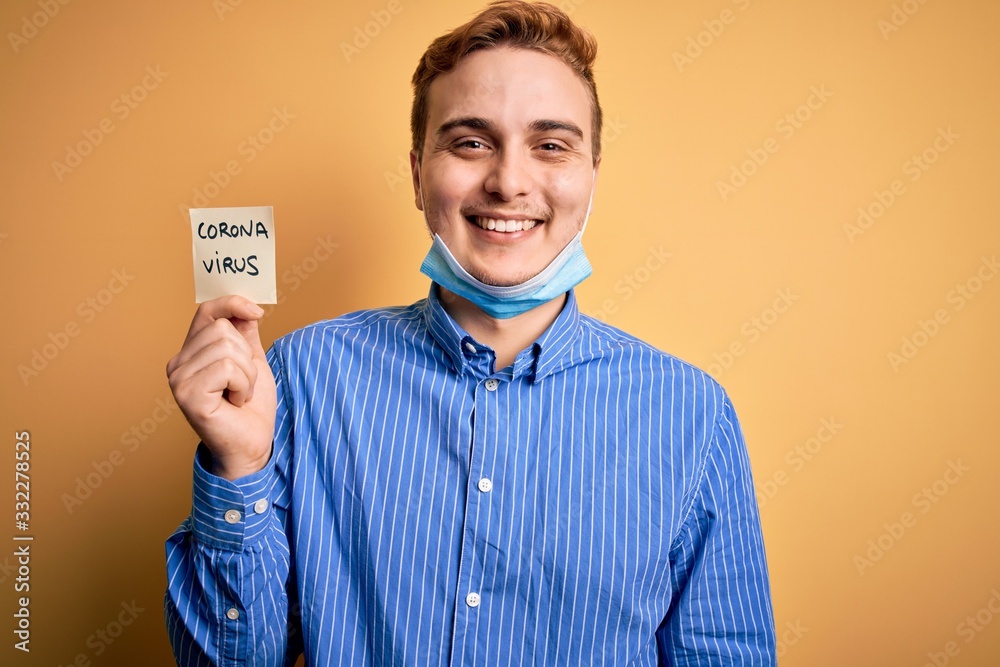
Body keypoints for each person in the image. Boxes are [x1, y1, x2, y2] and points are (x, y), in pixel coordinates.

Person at [164, 1, 777, 664]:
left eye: (551, 145)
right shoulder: (302, 376)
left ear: (592, 176)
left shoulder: (691, 415)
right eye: (470, 142)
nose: (508, 182)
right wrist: (238, 466)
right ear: (417, 173)